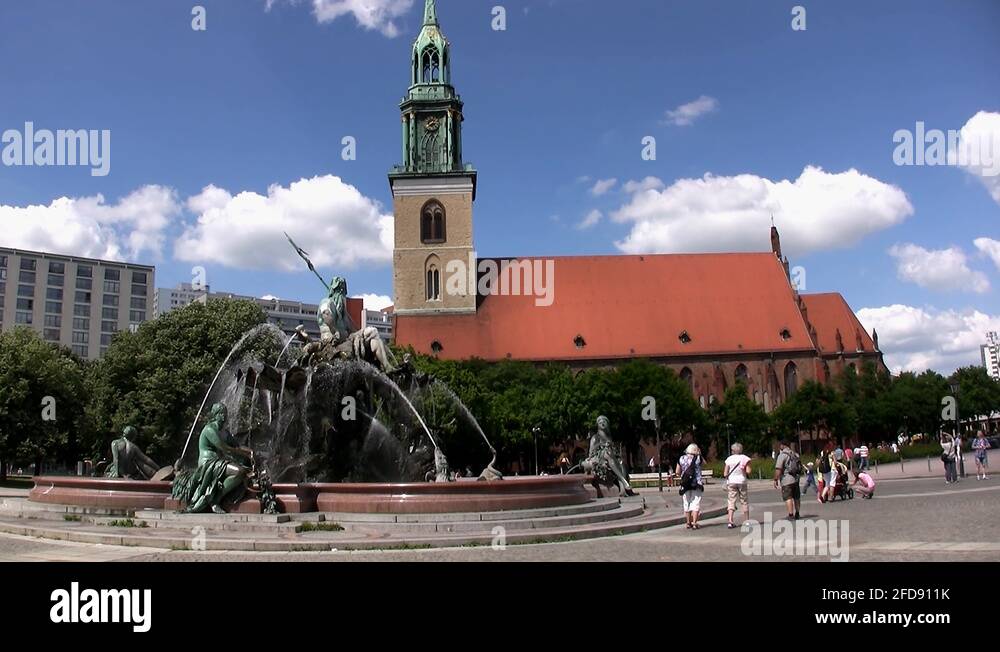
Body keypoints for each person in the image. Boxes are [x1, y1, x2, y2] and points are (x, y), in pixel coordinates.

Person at [723, 443, 752, 529]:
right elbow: (748, 471)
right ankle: (746, 521)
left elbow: (725, 473)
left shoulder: (729, 459)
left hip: (731, 481)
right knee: (744, 501)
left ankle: (730, 521)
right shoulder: (745, 458)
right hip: (742, 481)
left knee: (731, 500)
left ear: (732, 451)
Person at [676, 444, 704, 529]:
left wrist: (684, 476)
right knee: (695, 503)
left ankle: (688, 523)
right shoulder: (699, 458)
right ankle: (695, 523)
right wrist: (699, 454)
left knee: (686, 503)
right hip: (697, 484)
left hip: (685, 484)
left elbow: (677, 472)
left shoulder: (681, 458)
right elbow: (705, 465)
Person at [773, 440, 801, 520]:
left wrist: (775, 479)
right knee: (796, 497)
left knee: (788, 497)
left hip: (786, 479)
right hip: (796, 479)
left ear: (782, 445)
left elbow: (778, 468)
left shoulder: (782, 455)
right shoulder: (795, 454)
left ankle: (790, 514)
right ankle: (797, 513)